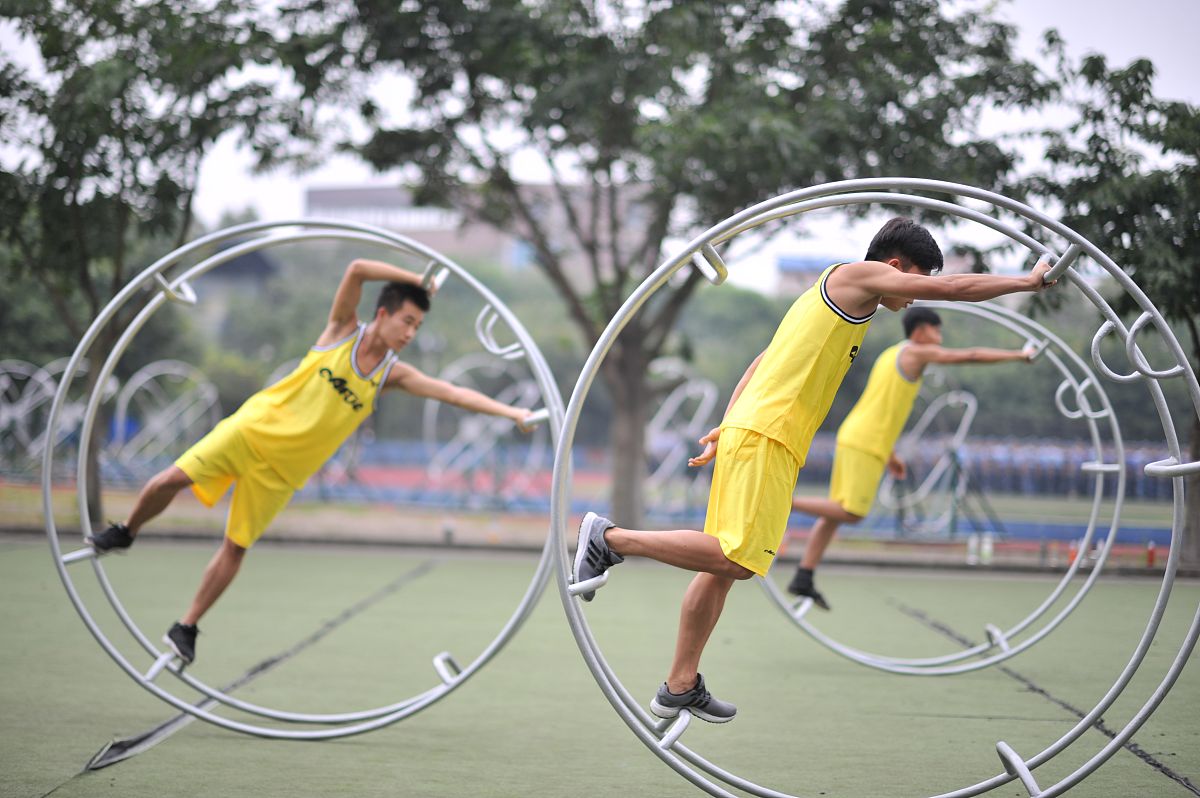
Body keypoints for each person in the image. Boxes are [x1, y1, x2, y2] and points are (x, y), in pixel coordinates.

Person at [573, 217, 1053, 723]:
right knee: (736, 559)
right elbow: (952, 287)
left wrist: (726, 424)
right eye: (916, 280)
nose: (916, 296)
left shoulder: (834, 300)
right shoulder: (857, 277)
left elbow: (763, 360)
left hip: (761, 431)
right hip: (770, 435)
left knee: (723, 568)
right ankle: (611, 539)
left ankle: (679, 684)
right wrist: (1025, 281)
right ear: (894, 266)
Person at [86, 258, 534, 665]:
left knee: (235, 547)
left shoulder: (390, 374)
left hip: (282, 472)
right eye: (408, 321)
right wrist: (416, 279)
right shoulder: (341, 331)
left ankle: (186, 627)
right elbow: (356, 269)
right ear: (384, 314)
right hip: (251, 431)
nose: (411, 333)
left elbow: (453, 393)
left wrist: (512, 412)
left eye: (417, 326)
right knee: (171, 479)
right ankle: (126, 531)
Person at [786, 307, 1034, 610]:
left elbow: (881, 407)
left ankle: (804, 575)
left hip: (861, 438)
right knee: (850, 512)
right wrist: (1018, 356)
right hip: (865, 442)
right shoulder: (915, 353)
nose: (939, 339)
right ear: (920, 331)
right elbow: (968, 356)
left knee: (834, 513)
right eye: (936, 331)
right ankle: (785, 501)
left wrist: (890, 454)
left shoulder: (892, 354)